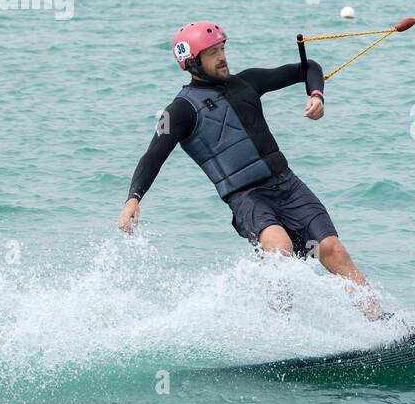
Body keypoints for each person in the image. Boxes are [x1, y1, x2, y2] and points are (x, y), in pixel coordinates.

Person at [118, 21, 384, 320]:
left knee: (332, 249)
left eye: (222, 48)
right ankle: (280, 333)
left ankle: (384, 323)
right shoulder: (178, 111)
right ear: (192, 63)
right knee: (280, 250)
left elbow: (308, 67)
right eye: (212, 53)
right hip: (247, 198)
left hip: (288, 185)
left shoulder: (247, 82)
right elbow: (153, 155)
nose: (222, 57)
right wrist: (133, 198)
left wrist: (317, 95)